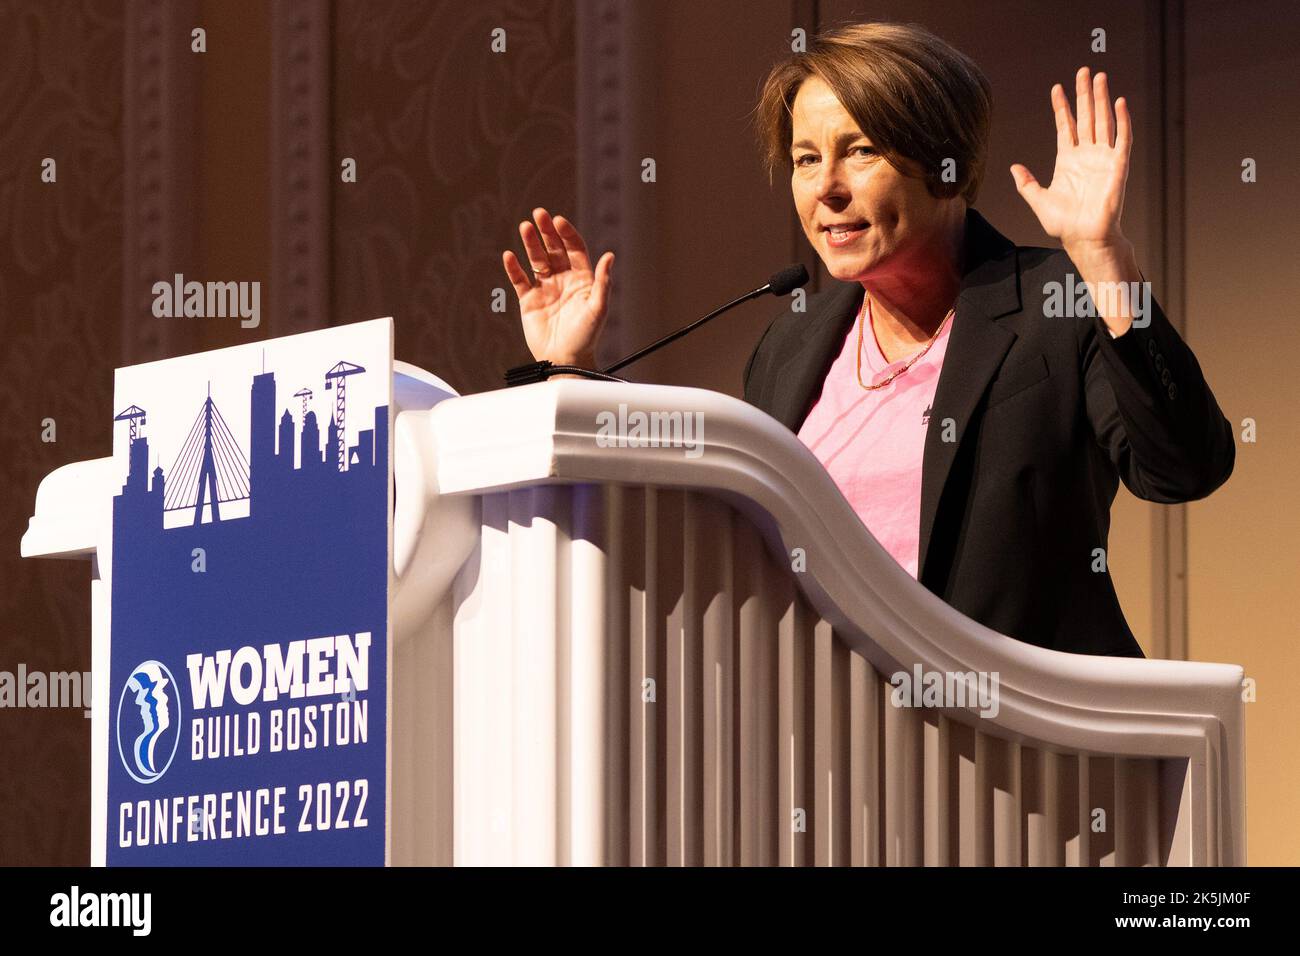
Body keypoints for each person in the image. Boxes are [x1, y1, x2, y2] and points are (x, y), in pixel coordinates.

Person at [499, 22, 1234, 658]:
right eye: (806, 158)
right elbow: (711, 527)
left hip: (1022, 762)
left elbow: (1183, 468)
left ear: (942, 160)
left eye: (861, 151)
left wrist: (1105, 262)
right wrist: (570, 374)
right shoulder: (791, 348)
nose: (826, 189)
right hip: (823, 751)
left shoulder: (1055, 302)